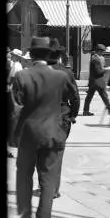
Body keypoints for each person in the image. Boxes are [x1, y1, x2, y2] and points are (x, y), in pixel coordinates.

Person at [12, 36, 75, 218]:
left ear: (30, 56)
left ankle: (24, 215)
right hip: (53, 133)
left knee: (24, 175)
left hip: (28, 135)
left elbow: (15, 110)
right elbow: (73, 98)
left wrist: (14, 136)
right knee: (47, 178)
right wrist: (65, 119)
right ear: (49, 55)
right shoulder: (61, 76)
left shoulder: (22, 76)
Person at [46, 39, 80, 200]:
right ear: (59, 55)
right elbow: (75, 98)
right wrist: (73, 115)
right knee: (57, 154)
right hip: (61, 116)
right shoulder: (67, 73)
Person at [82, 44, 110, 117]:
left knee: (89, 96)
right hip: (98, 80)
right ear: (98, 51)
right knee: (104, 95)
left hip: (94, 80)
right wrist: (106, 69)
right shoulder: (95, 59)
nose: (103, 53)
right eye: (102, 51)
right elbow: (98, 72)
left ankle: (85, 111)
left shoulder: (98, 58)